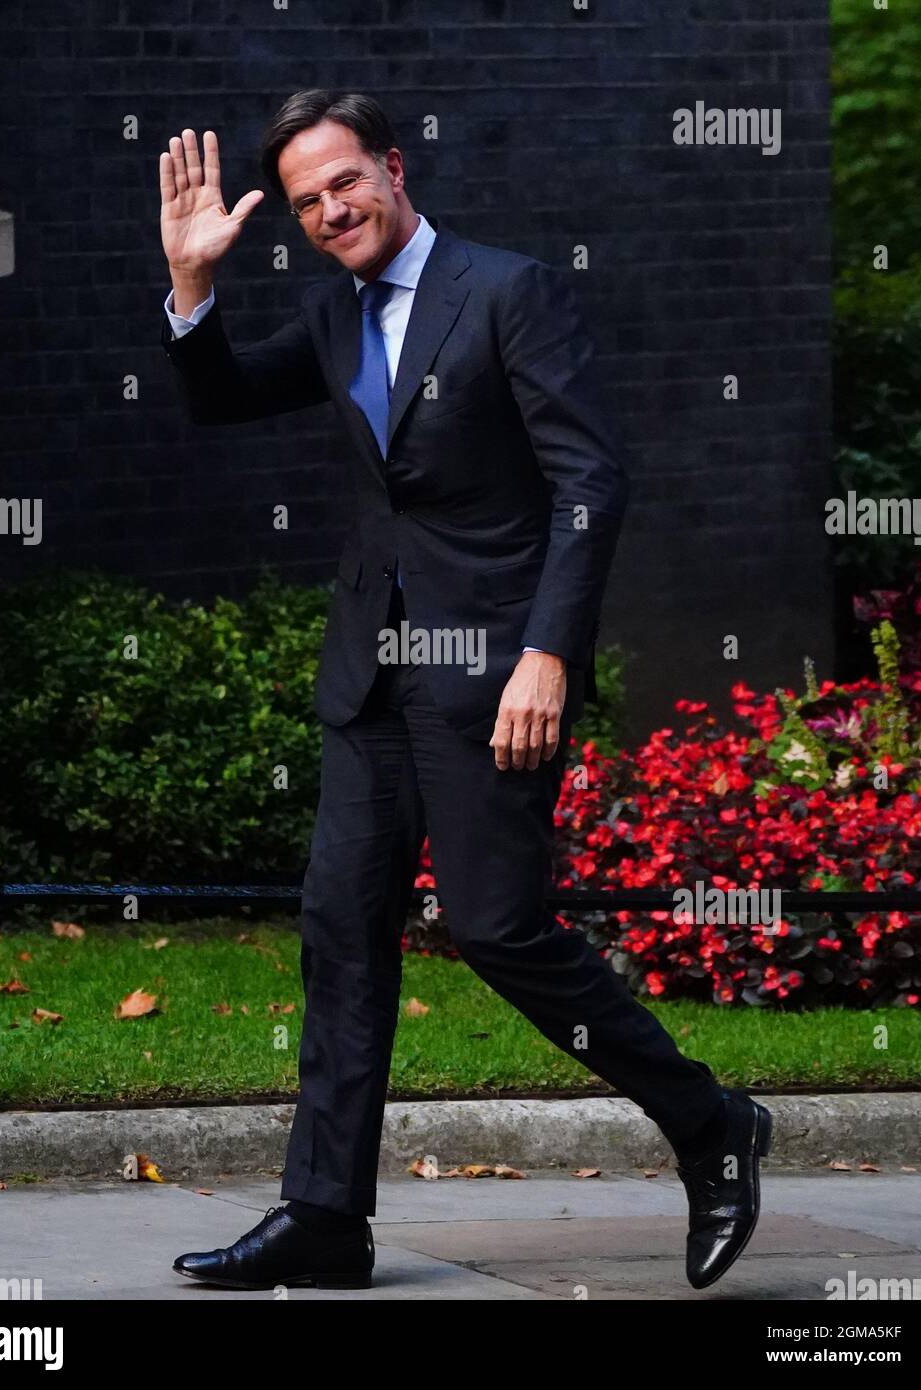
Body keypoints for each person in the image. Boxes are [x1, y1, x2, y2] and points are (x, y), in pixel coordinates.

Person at [158, 89, 771, 1293]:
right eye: (305, 203)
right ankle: (325, 1216)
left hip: (493, 677)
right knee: (341, 937)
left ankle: (711, 1125)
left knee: (498, 928)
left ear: (392, 167)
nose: (331, 210)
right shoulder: (336, 318)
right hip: (369, 678)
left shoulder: (506, 291)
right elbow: (221, 395)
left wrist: (547, 651)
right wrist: (190, 289)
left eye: (345, 182)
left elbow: (590, 480)